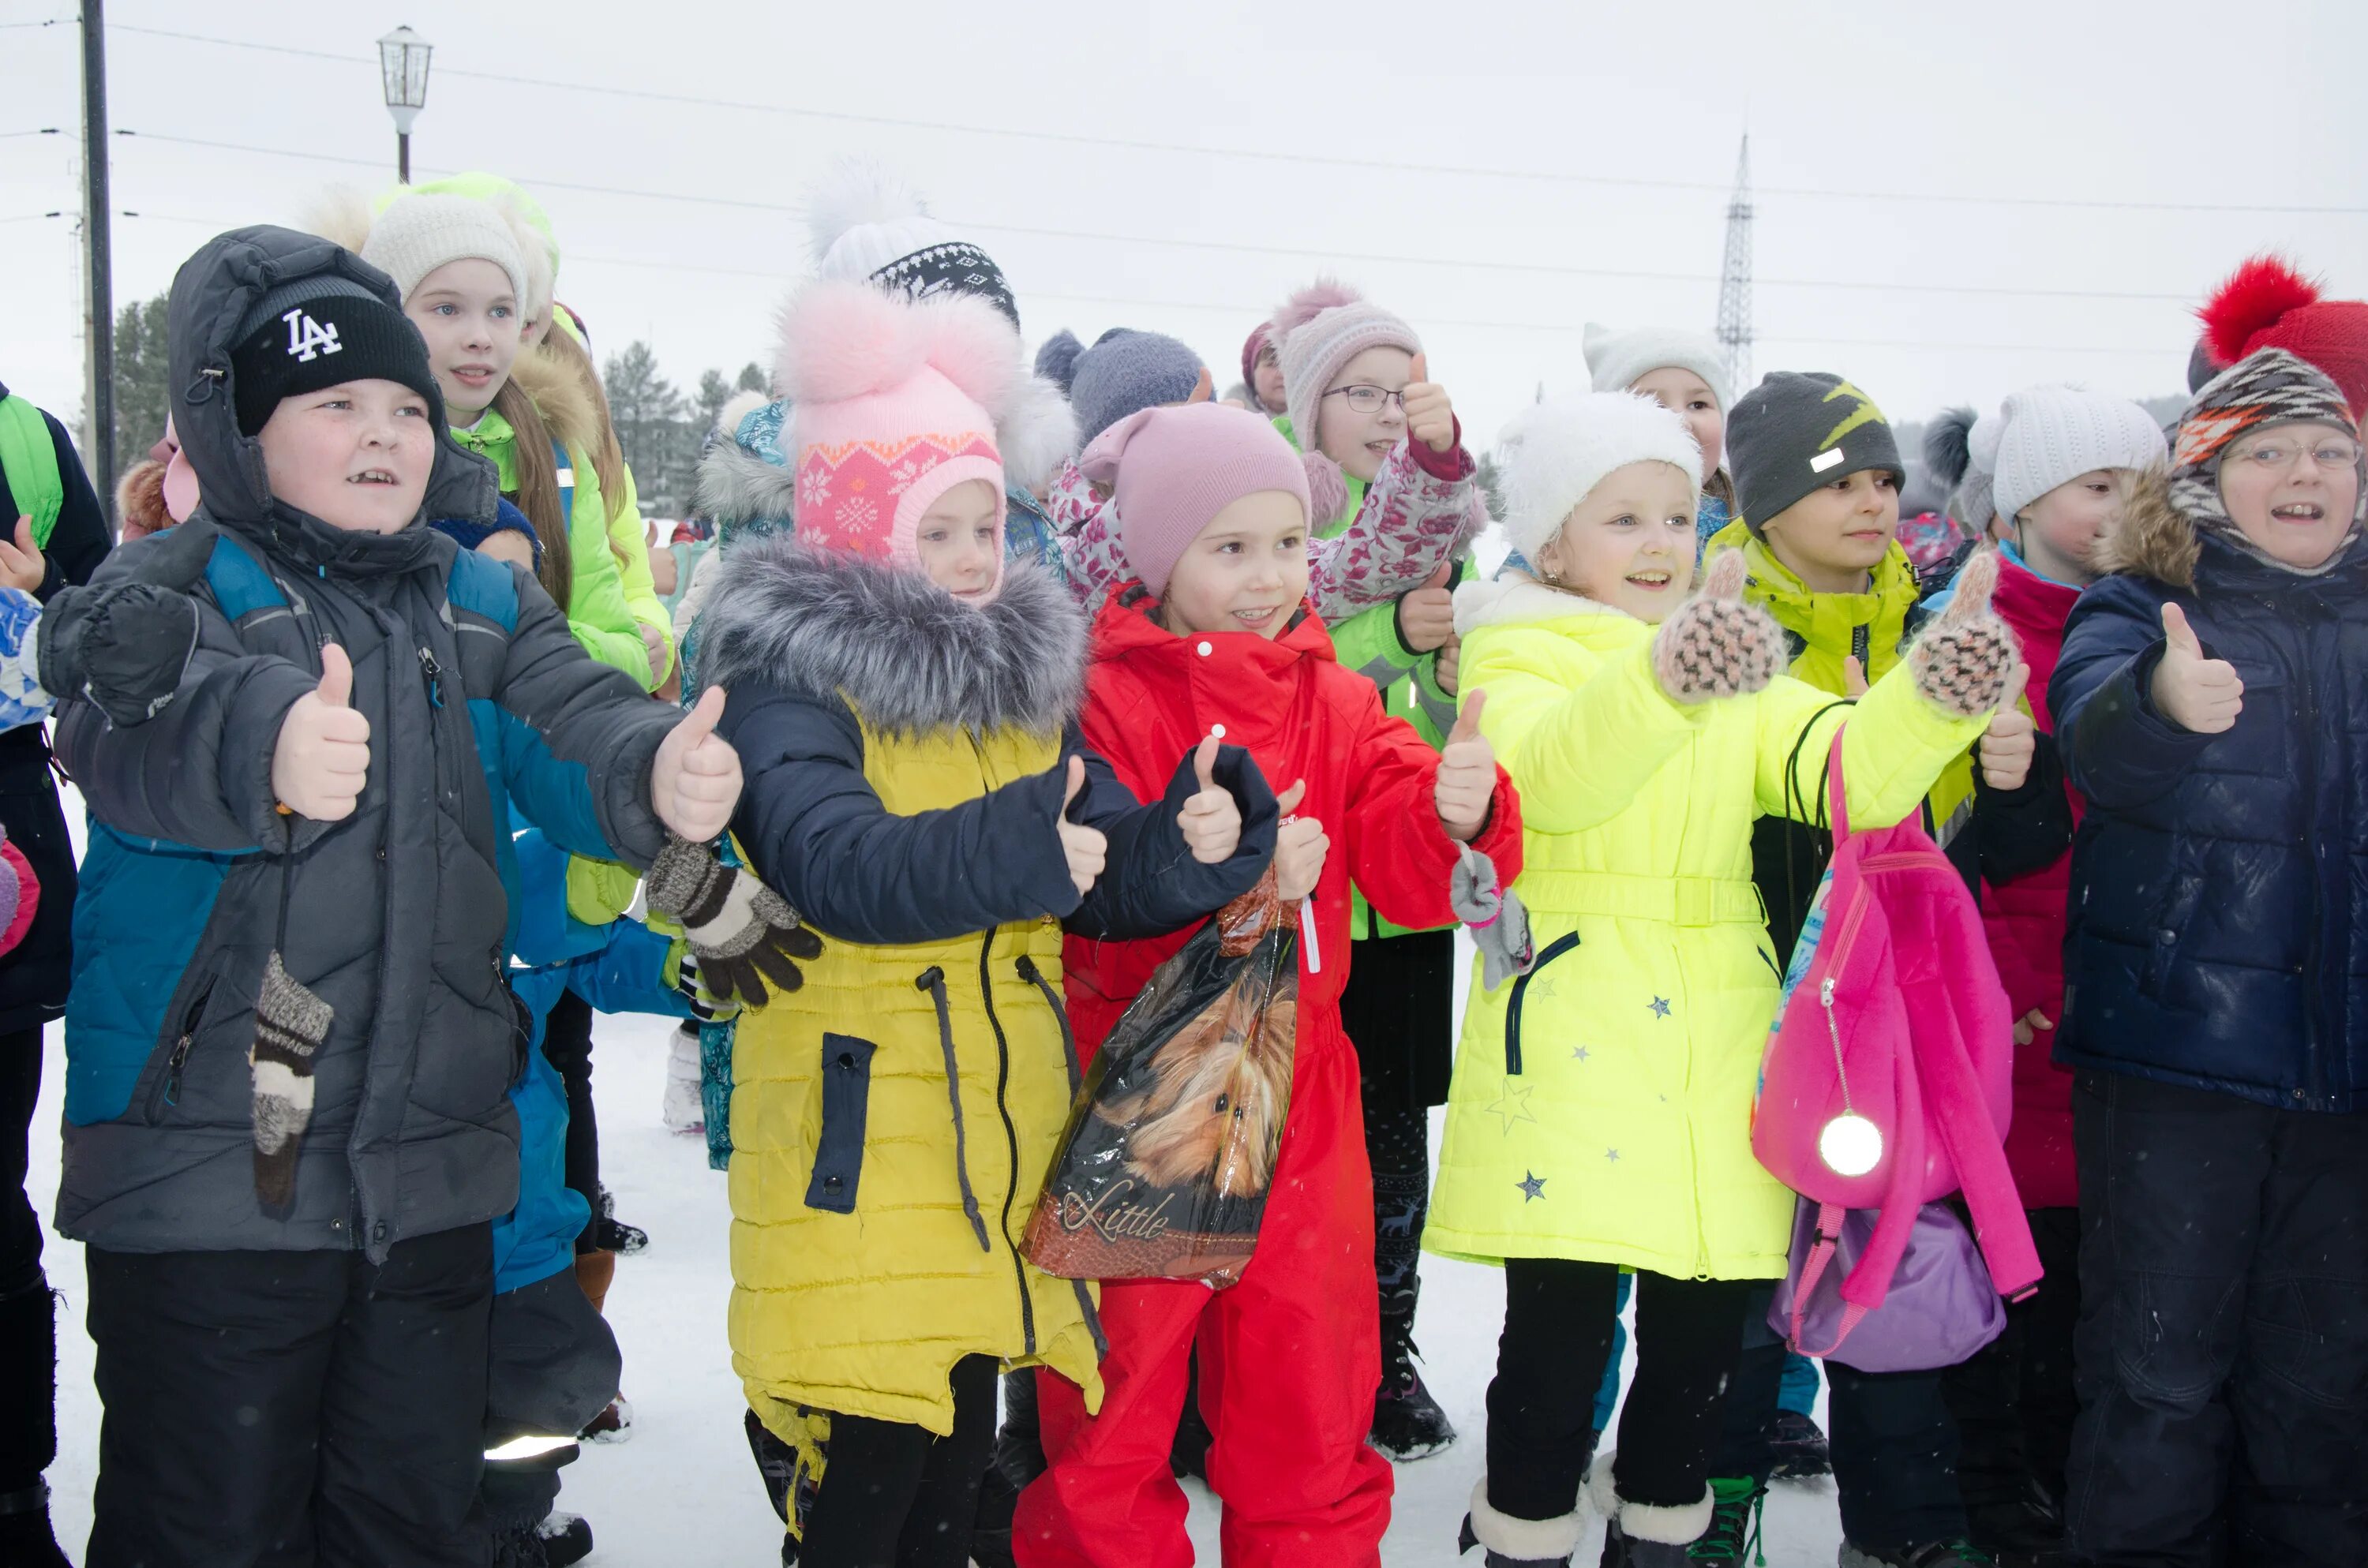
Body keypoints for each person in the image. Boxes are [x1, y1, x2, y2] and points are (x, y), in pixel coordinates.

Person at [53, 225, 745, 1568]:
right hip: (214, 1179)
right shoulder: (172, 592)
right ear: (243, 429)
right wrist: (258, 746)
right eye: (336, 406)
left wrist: (657, 765)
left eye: (405, 408)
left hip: (427, 1176)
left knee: (405, 1525)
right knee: (208, 1525)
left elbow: (574, 716)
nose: (384, 434)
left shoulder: (477, 597)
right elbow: (117, 737)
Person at [696, 279, 1274, 1568]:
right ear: (853, 533)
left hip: (991, 1140)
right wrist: (1017, 849)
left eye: (982, 523)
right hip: (852, 1139)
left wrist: (1186, 842)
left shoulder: (1018, 693)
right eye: (936, 529)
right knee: (871, 1472)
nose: (973, 555)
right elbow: (841, 864)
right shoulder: (787, 686)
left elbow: (1101, 864)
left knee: (960, 1466)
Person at [1422, 391, 2020, 1568]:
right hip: (1579, 1021)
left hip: (1723, 1022)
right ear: (1552, 543)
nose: (1660, 542)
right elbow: (1556, 776)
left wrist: (1933, 696)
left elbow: (1844, 771)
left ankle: (1660, 1534)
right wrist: (1663, 680)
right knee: (1558, 1336)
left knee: (1701, 1337)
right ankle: (1526, 1541)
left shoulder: (1730, 647)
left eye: (1679, 515)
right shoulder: (1519, 645)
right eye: (1623, 518)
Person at [1013, 399, 1523, 1568]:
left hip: (1306, 1100)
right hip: (1141, 1095)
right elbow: (1088, 895)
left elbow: (1406, 849)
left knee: (1309, 1397)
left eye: (1288, 544)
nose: (1268, 576)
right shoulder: (1100, 695)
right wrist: (1208, 865)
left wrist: (1461, 813)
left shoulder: (1338, 698)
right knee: (1114, 1404)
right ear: (1157, 555)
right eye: (1229, 547)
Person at [1695, 370, 2040, 1568]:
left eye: (1886, 478)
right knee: (1740, 1285)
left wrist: (2009, 772)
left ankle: (1903, 1531)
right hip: (1756, 997)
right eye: (1839, 480)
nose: (1873, 501)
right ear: (1767, 495)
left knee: (1892, 1254)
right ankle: (1709, 1503)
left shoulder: (1935, 621)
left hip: (1898, 1019)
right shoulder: (1721, 617)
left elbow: (2003, 844)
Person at [2050, 348, 2368, 1567]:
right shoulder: (2137, 604)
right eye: (2269, 452)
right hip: (2180, 1070)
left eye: (2330, 451)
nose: (2306, 475)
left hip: (2346, 1090)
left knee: (2326, 1398)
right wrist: (2162, 704)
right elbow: (2096, 744)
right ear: (2203, 476)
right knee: (2159, 1382)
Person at [1931, 386, 2165, 1567]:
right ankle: (2001, 1500)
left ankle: (2079, 1493)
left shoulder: (2169, 626)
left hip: (2125, 994)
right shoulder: (1982, 636)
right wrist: (2004, 981)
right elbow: (1949, 841)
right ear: (2022, 504)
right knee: (2015, 1274)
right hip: (2015, 1009)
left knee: (2107, 1285)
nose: (2124, 510)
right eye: (2096, 487)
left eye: (2142, 484)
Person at [1260, 277, 1493, 1456]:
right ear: (1307, 405)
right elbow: (1293, 645)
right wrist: (1387, 632)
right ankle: (1266, 1353)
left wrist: (1447, 671)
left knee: (1393, 1140)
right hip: (1297, 896)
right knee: (1276, 1133)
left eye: (1407, 388)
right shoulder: (1276, 519)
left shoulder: (1449, 529)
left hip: (1397, 909)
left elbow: (1454, 703)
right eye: (1360, 390)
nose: (1390, 412)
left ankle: (1384, 1348)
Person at [1583, 322, 1737, 555]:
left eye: (1698, 404)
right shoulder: (1571, 525)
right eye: (1655, 403)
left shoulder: (1755, 529)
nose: (1681, 420)